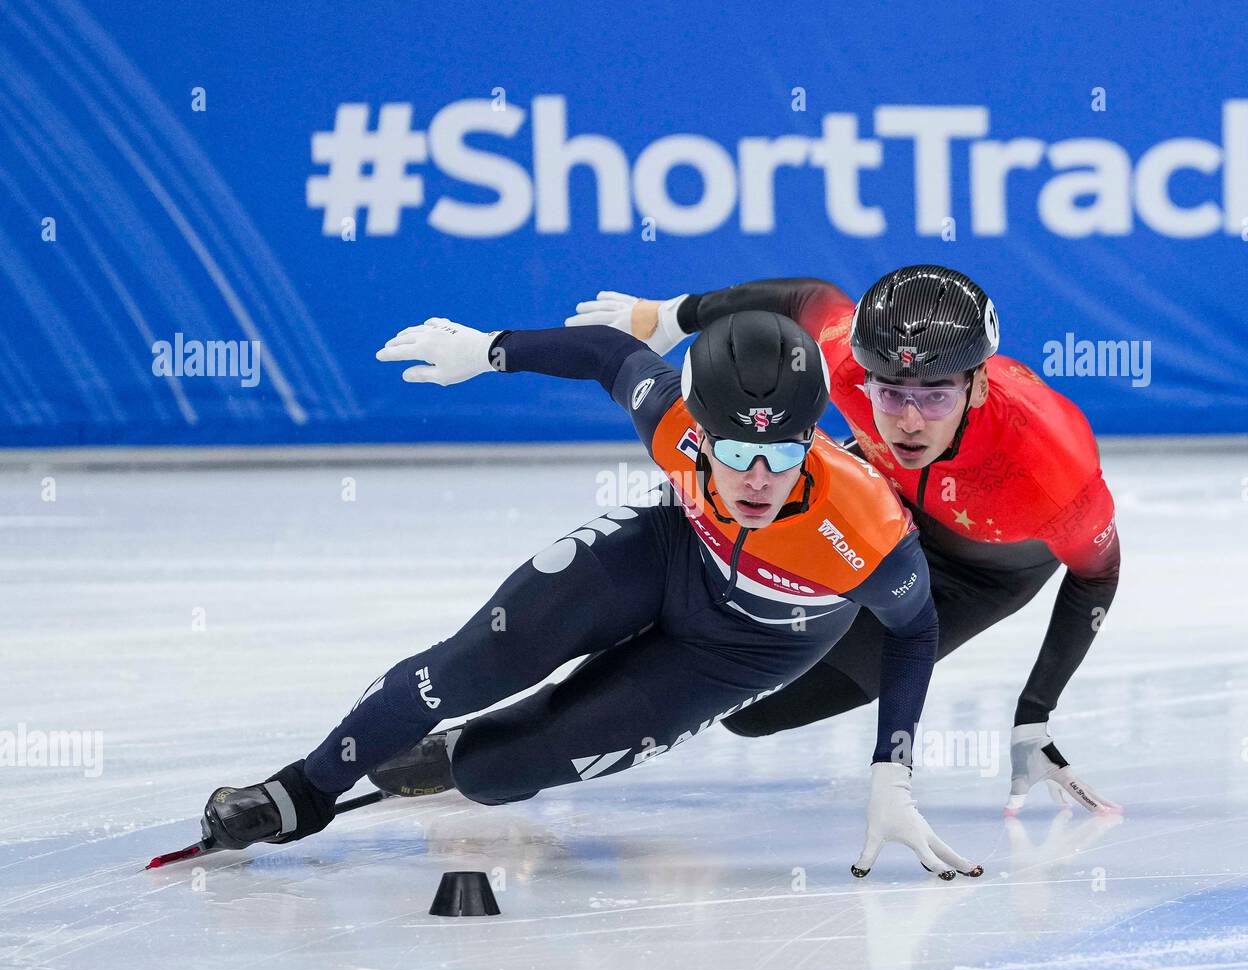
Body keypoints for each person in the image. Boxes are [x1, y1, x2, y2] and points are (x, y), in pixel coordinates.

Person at [199, 311, 983, 879]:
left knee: (493, 773)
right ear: (699, 433)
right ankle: (301, 790)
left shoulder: (866, 527)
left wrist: (893, 774)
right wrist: (490, 351)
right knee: (472, 664)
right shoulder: (673, 418)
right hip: (672, 552)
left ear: (809, 437)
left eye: (781, 453)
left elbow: (914, 631)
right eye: (736, 450)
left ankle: (454, 755)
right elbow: (610, 352)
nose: (756, 479)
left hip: (748, 650)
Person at [567, 266, 1121, 816]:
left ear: (976, 386)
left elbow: (1097, 574)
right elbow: (808, 295)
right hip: (871, 511)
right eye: (890, 393)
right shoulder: (848, 362)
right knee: (682, 601)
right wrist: (668, 317)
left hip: (978, 577)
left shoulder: (1050, 470)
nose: (907, 422)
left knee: (750, 710)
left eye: (935, 398)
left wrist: (1034, 714)